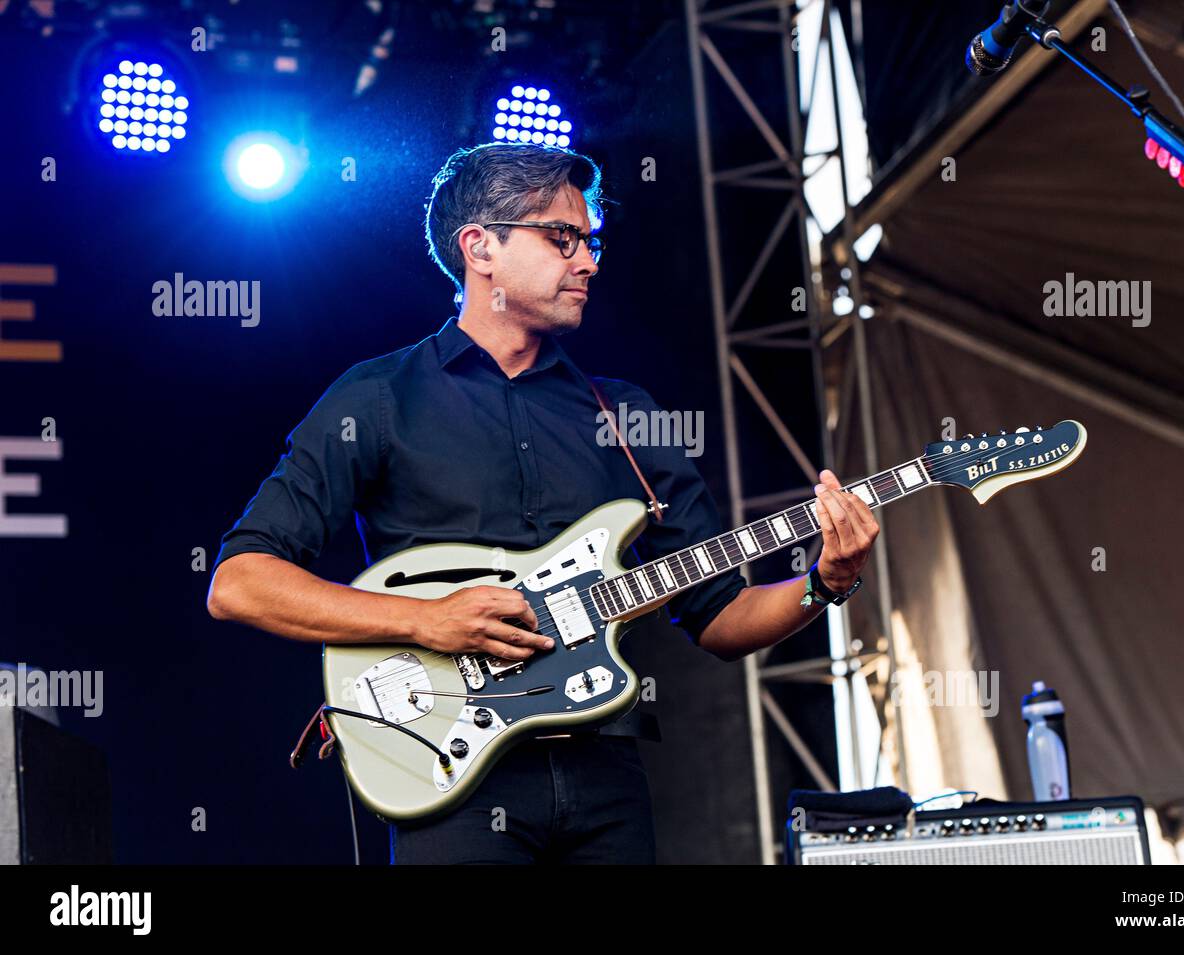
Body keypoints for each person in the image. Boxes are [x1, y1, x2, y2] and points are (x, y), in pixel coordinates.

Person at [206, 141, 879, 864]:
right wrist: (427, 621)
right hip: (452, 779)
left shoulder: (625, 417)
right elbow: (240, 582)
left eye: (591, 241)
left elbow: (720, 617)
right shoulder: (377, 399)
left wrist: (824, 581)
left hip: (606, 776)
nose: (587, 261)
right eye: (562, 238)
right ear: (480, 247)